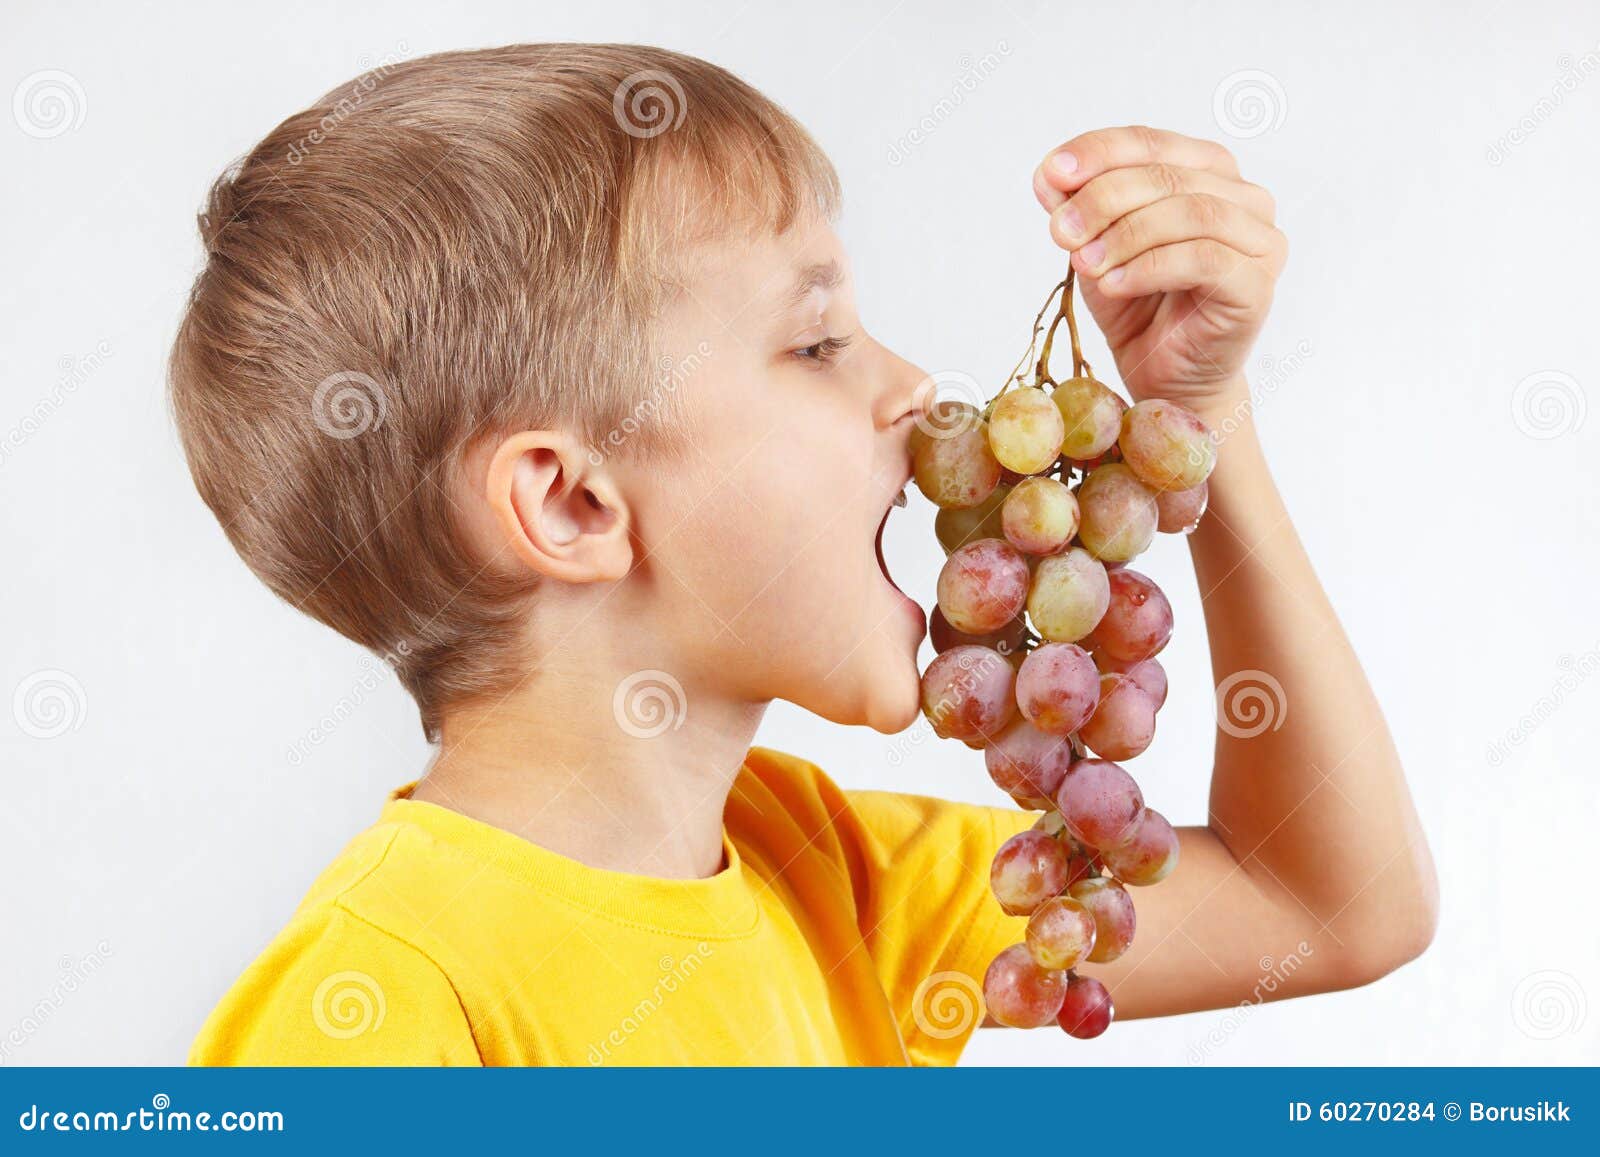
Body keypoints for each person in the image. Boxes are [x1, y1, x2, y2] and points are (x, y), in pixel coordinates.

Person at [174, 43, 1435, 1065]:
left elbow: (1328, 905)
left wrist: (1201, 418)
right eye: (817, 343)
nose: (911, 390)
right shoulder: (376, 1003)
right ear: (570, 505)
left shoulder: (824, 875)